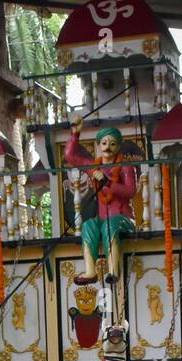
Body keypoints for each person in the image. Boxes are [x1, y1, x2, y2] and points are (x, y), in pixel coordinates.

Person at [65, 117, 137, 285]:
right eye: (104, 143)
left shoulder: (126, 167)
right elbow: (70, 156)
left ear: (118, 146)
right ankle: (91, 271)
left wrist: (108, 182)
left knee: (110, 225)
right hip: (102, 217)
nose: (108, 147)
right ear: (99, 146)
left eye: (112, 143)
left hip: (123, 218)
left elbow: (131, 191)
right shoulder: (94, 166)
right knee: (88, 225)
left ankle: (114, 270)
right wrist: (75, 133)